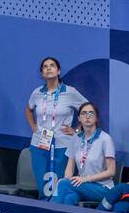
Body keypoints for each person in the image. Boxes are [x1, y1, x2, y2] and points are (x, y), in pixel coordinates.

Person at [25, 56, 88, 200]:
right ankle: (43, 209)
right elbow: (28, 109)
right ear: (42, 73)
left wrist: (77, 130)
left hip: (63, 144)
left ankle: (55, 210)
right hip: (40, 143)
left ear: (58, 71)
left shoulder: (70, 92)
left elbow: (87, 109)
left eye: (52, 65)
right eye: (45, 66)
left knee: (59, 183)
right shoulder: (37, 93)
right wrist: (33, 125)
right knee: (43, 181)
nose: (48, 68)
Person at [53, 102, 117, 206]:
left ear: (96, 118)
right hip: (82, 185)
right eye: (84, 113)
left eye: (91, 113)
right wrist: (67, 179)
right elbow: (70, 168)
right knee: (69, 197)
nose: (87, 116)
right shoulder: (76, 138)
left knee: (64, 184)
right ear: (79, 118)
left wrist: (85, 179)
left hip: (102, 188)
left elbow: (111, 171)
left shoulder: (105, 139)